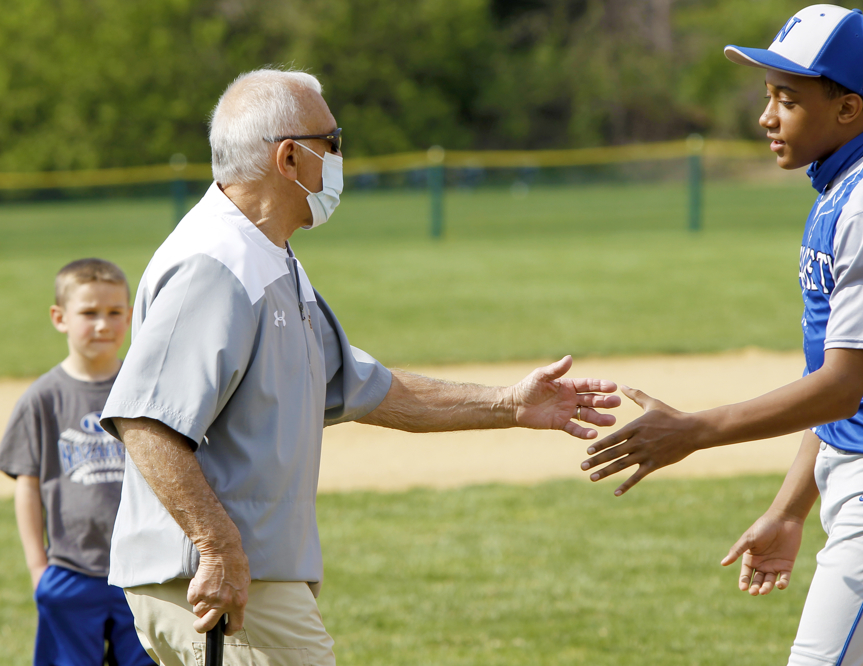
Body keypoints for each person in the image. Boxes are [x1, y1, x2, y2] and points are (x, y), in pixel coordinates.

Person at [98, 68, 621, 665]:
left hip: (245, 582)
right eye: (334, 141)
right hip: (220, 588)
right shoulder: (216, 265)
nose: (342, 156)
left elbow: (363, 387)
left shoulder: (268, 258)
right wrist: (217, 548)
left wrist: (509, 404)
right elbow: (147, 421)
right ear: (290, 159)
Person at [582, 6, 863, 665]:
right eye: (769, 96)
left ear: (848, 109)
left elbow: (843, 389)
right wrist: (791, 508)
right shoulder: (844, 192)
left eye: (787, 99)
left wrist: (696, 430)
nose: (767, 117)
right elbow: (840, 387)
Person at [0, 259, 155, 666]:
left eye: (114, 312)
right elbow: (27, 487)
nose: (103, 325)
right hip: (70, 570)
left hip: (140, 572)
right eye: (89, 313)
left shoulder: (144, 391)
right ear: (59, 317)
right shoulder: (43, 397)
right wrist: (39, 568)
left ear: (131, 316)